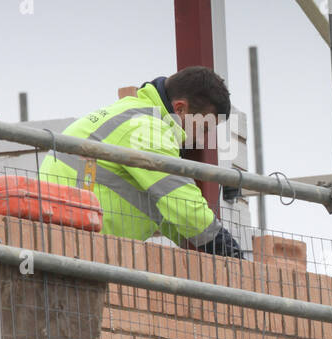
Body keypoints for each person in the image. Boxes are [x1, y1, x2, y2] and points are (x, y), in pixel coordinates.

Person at [40, 67, 242, 257]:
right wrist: (231, 255)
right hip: (77, 243)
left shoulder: (135, 113)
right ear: (180, 109)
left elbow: (170, 211)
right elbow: (185, 207)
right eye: (204, 128)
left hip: (69, 240)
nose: (202, 139)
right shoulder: (147, 129)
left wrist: (201, 247)